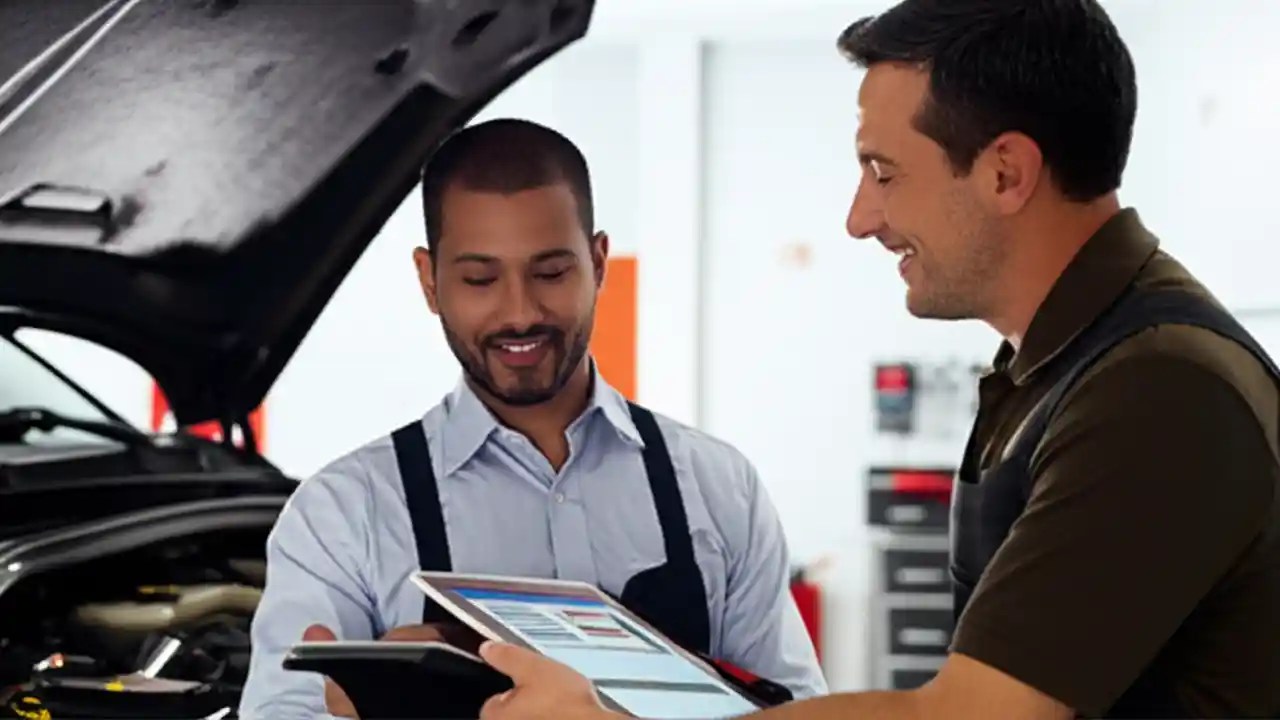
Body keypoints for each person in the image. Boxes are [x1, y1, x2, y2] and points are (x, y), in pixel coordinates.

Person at [474, 2, 1280, 719]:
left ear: (1006, 173)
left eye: (883, 172)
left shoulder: (1158, 390)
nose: (861, 218)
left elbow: (976, 717)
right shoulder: (1062, 370)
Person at [236, 118, 826, 718]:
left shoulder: (719, 488)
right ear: (429, 280)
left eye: (550, 273)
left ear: (599, 262)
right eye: (480, 279)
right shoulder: (342, 515)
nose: (519, 312)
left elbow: (800, 714)